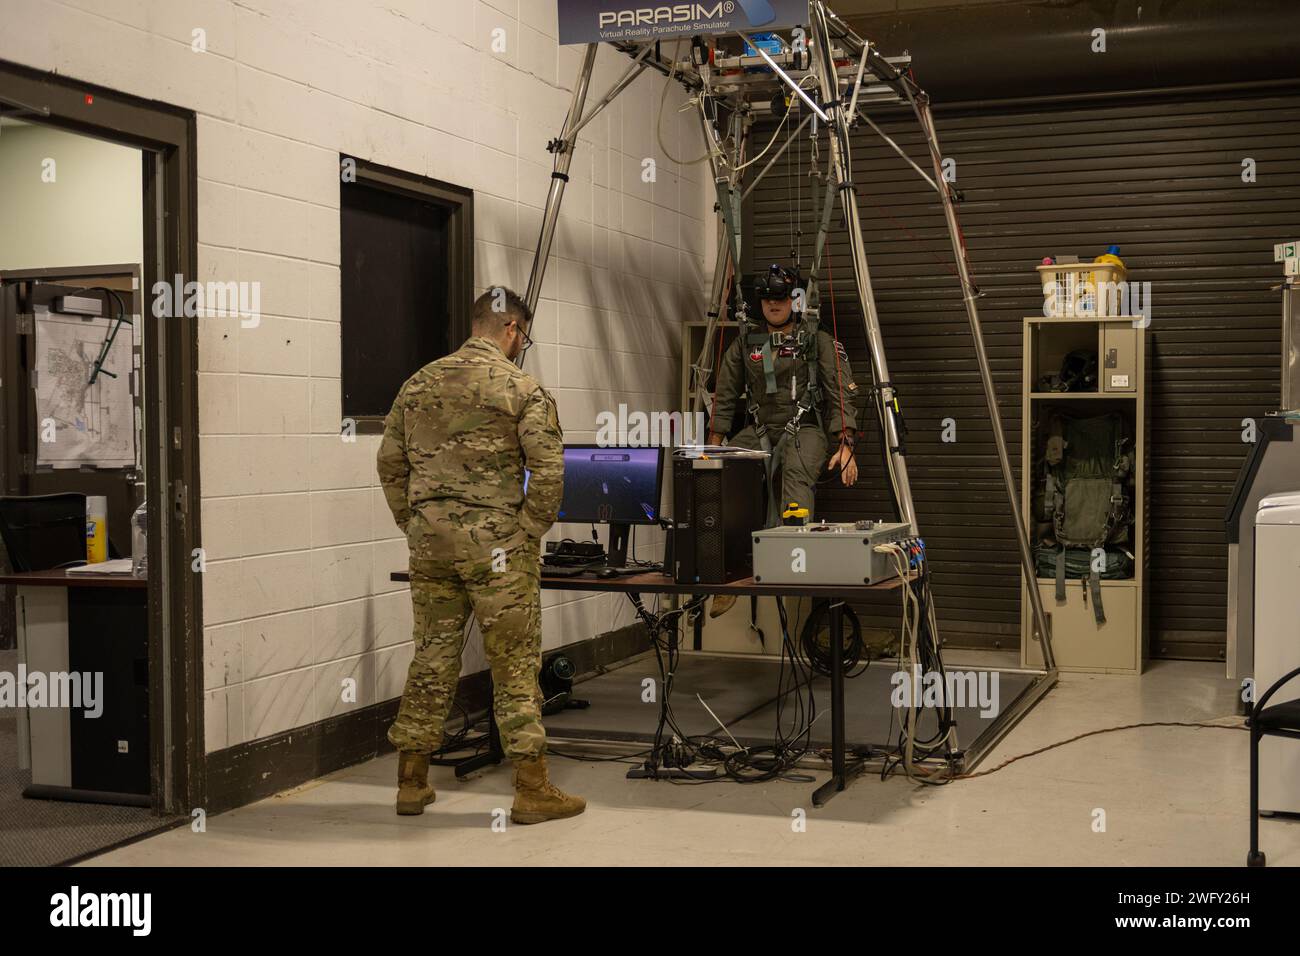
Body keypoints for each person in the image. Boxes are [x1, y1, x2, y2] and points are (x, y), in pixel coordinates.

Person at [376, 285, 585, 825]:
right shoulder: (522, 388)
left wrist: (414, 522)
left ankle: (411, 782)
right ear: (513, 329)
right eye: (523, 335)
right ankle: (532, 788)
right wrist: (528, 531)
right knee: (514, 664)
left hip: (431, 545)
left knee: (432, 656)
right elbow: (550, 470)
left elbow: (389, 464)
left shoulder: (417, 383)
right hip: (497, 551)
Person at [707, 264, 860, 616]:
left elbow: (840, 392)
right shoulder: (746, 343)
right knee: (721, 472)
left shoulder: (816, 340)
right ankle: (728, 573)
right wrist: (715, 443)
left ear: (793, 300)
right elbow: (725, 393)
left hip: (805, 427)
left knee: (794, 471)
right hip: (759, 428)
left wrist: (846, 445)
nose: (773, 304)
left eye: (780, 297)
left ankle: (793, 567)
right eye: (766, 299)